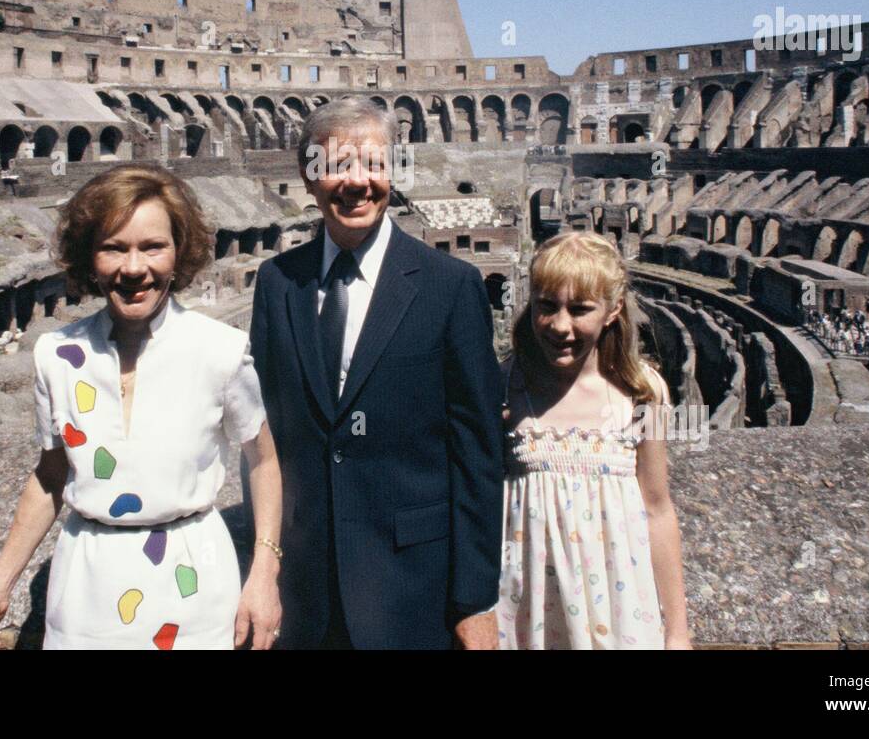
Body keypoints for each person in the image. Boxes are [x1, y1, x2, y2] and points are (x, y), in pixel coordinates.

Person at [0, 165, 283, 649]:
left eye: (152, 246)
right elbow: (50, 477)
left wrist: (264, 572)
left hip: (194, 583)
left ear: (178, 252)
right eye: (113, 247)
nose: (133, 268)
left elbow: (264, 460)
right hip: (87, 588)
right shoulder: (56, 355)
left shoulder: (221, 351)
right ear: (90, 257)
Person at [249, 98, 504, 649]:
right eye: (338, 165)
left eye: (374, 164)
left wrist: (476, 599)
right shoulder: (276, 283)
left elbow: (478, 452)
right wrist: (262, 564)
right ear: (309, 177)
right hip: (305, 592)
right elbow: (265, 440)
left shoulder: (450, 286)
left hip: (415, 588)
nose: (358, 182)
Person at [497, 231, 691, 649]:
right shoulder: (504, 388)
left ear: (613, 310)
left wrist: (677, 632)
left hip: (618, 609)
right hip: (528, 609)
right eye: (546, 306)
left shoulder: (644, 395)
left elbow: (657, 509)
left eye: (580, 309)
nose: (560, 325)